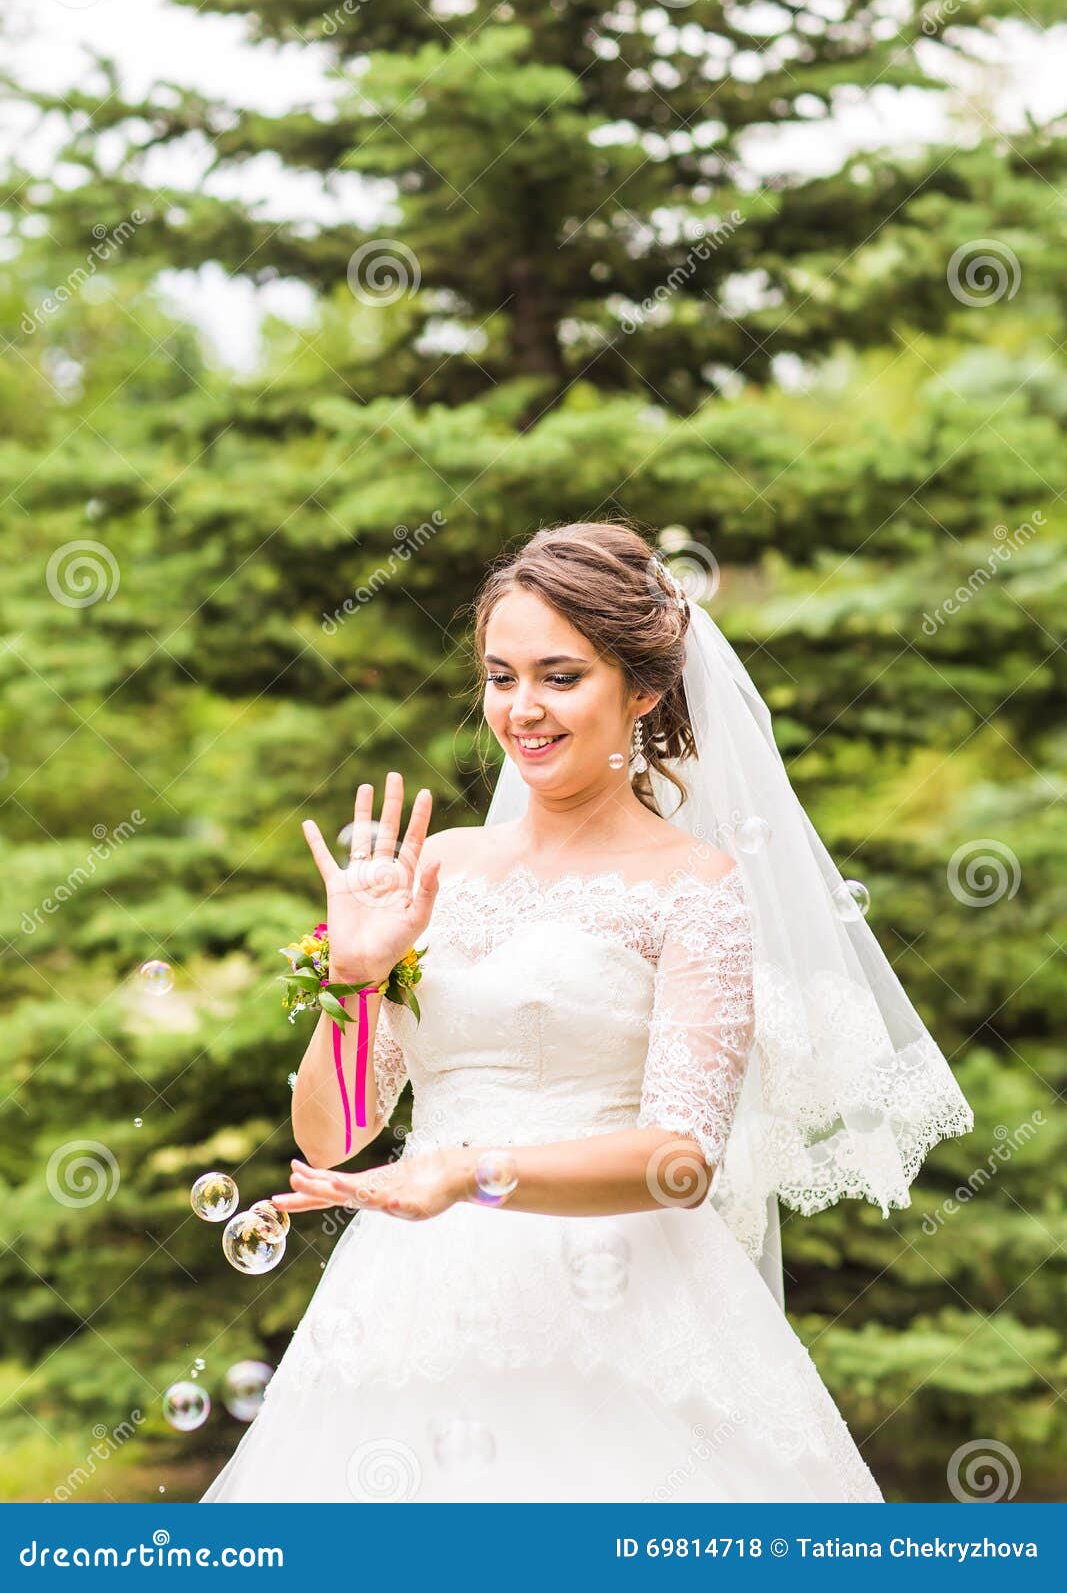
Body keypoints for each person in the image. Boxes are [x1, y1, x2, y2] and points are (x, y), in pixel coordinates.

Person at [200, 521, 973, 1503]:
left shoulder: (693, 887)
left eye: (559, 677)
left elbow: (680, 1159)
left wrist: (465, 1172)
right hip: (409, 1305)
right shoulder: (432, 870)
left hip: (625, 1310)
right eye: (499, 676)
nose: (522, 709)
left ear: (641, 690)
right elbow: (334, 1131)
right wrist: (350, 980)